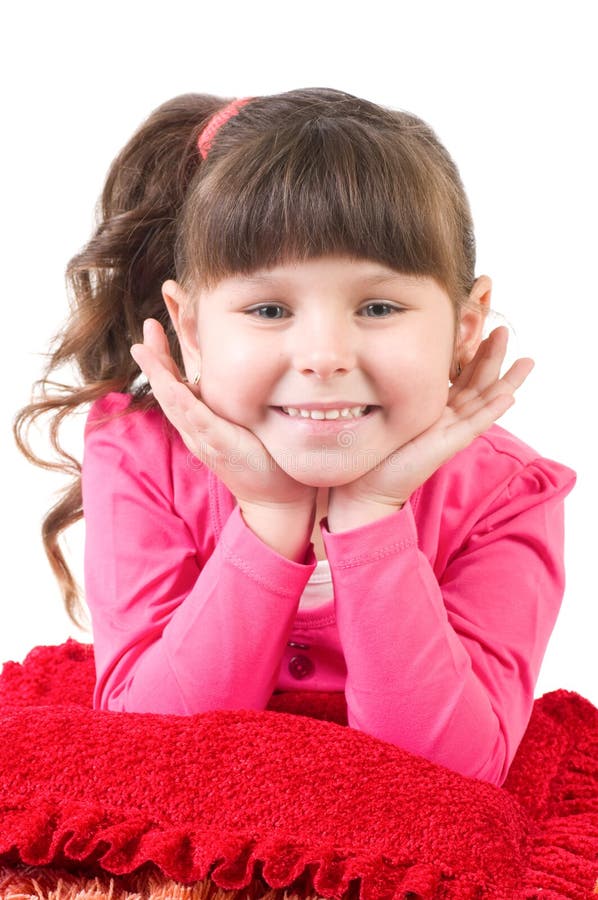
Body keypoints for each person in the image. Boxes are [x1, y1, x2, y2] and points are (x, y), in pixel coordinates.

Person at [13, 88, 577, 788]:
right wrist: (271, 518)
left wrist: (373, 513)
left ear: (464, 328)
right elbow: (151, 750)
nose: (324, 355)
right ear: (191, 330)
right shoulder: (140, 458)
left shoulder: (508, 494)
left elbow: (447, 775)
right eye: (269, 308)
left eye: (378, 306)